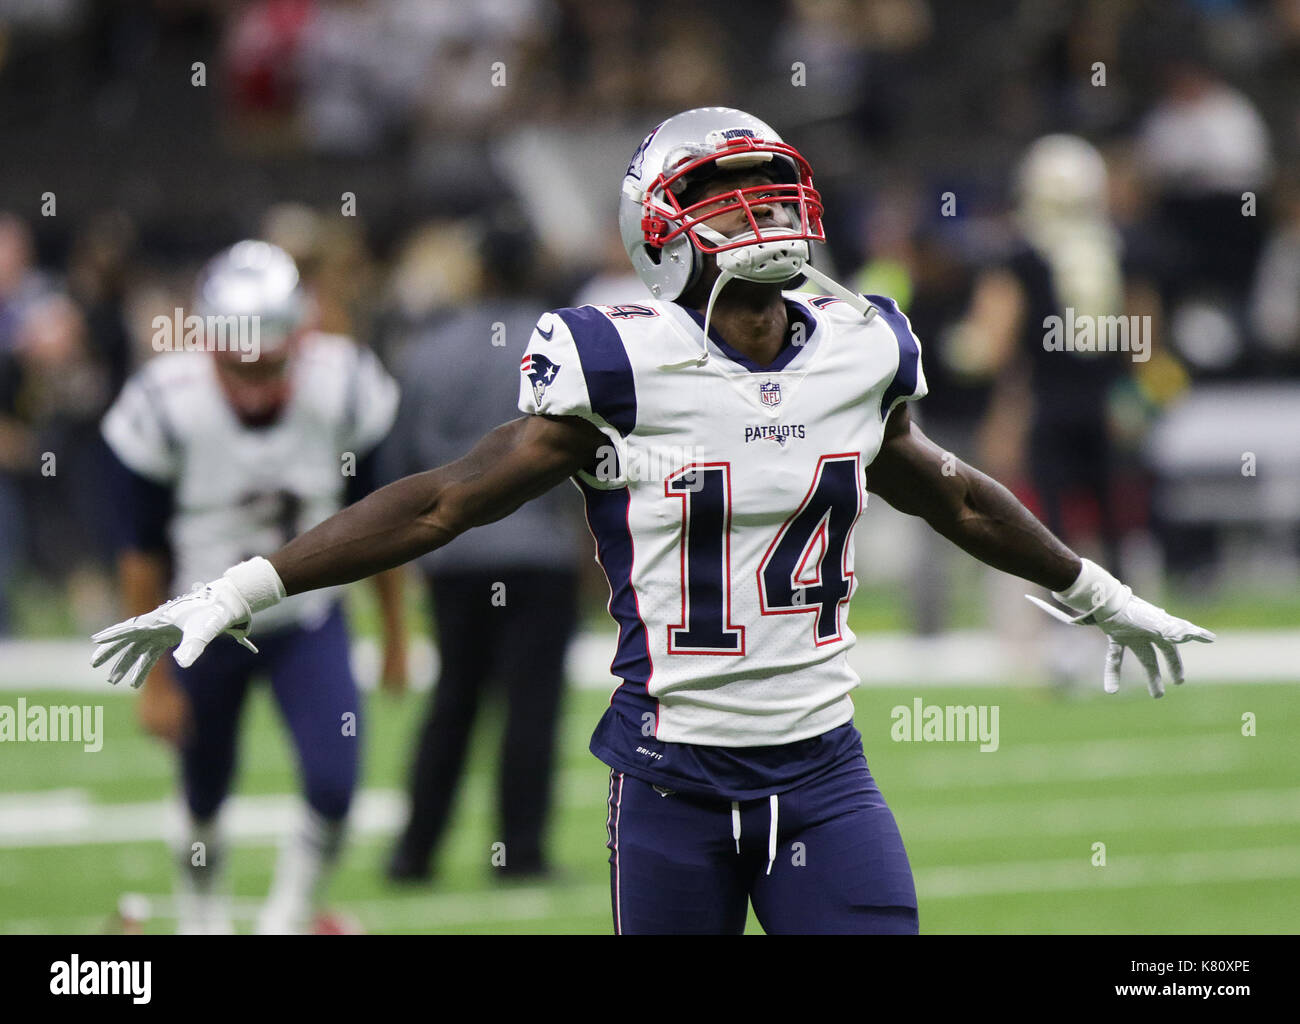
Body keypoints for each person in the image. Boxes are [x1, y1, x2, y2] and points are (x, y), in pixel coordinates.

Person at [92, 109, 1214, 935]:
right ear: (661, 230)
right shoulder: (616, 363)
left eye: (771, 186)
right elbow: (441, 499)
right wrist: (240, 587)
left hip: (824, 771)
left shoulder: (863, 344)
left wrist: (1096, 595)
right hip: (671, 779)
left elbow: (953, 490)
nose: (763, 210)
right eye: (730, 192)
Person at [98, 240, 406, 934]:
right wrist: (155, 680)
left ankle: (287, 920)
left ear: (302, 335)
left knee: (334, 782)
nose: (259, 379)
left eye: (272, 359)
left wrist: (393, 635)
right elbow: (140, 551)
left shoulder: (345, 382)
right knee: (203, 791)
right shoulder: (164, 402)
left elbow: (385, 519)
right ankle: (202, 918)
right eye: (242, 362)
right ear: (208, 344)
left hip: (306, 617)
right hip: (201, 622)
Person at [384, 210, 584, 883]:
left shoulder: (426, 347)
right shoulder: (562, 341)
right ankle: (519, 852)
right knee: (531, 707)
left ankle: (415, 851)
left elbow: (400, 459)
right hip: (539, 552)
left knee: (453, 702)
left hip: (453, 552)